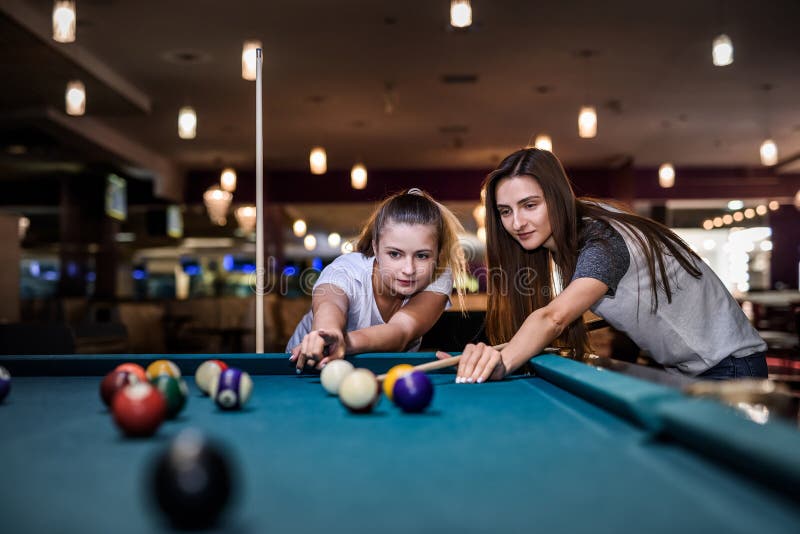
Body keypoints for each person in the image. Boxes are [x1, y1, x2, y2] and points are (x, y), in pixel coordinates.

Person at [446, 148, 767, 383]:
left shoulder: (603, 238)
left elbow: (554, 318)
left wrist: (499, 363)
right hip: (693, 367)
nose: (517, 222)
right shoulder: (568, 236)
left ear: (557, 198)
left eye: (530, 205)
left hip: (730, 367)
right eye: (505, 211)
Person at [287, 188, 468, 371]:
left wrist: (342, 343)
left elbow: (401, 332)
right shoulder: (345, 270)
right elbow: (330, 307)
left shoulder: (438, 275)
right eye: (395, 254)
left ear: (437, 255)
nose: (408, 269)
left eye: (422, 256)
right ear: (375, 246)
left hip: (375, 373)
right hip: (305, 367)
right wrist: (326, 335)